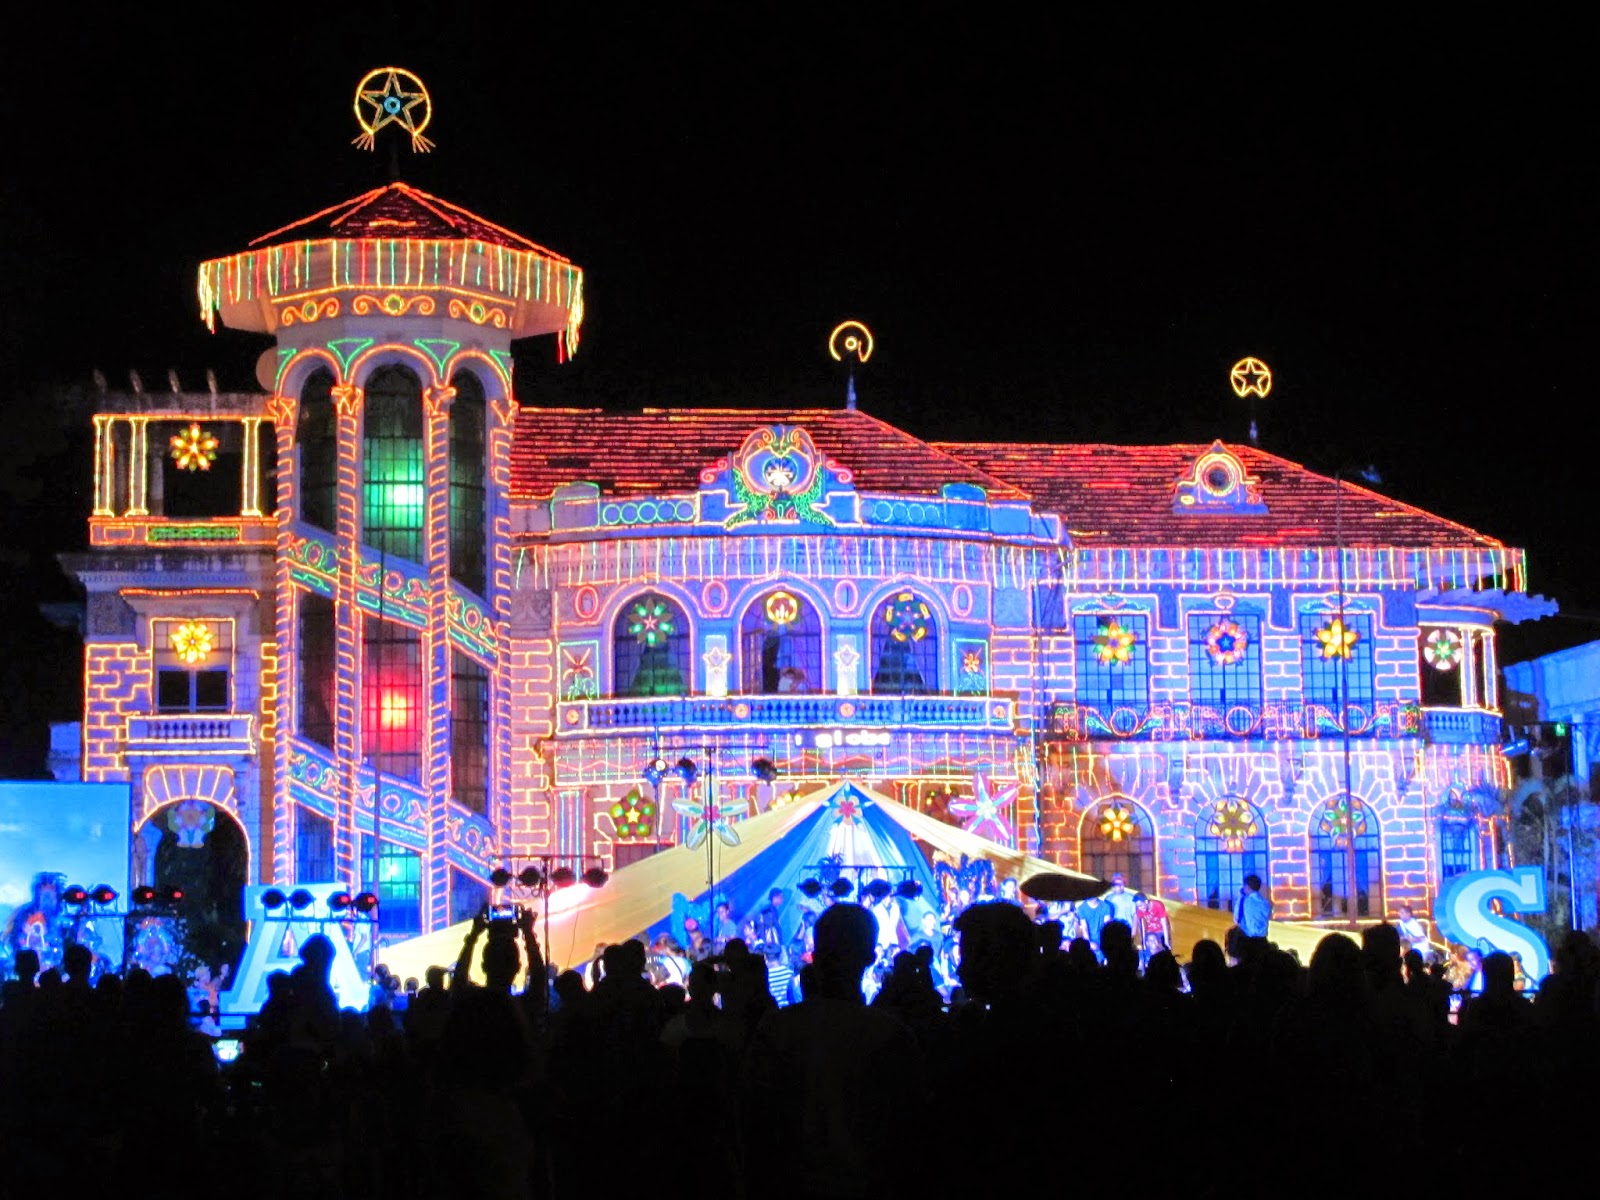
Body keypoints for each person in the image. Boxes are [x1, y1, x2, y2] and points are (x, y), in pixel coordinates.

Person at [1234, 873, 1272, 938]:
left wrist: (1241, 897)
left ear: (1247, 886)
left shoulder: (1244, 901)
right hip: (1262, 937)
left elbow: (1237, 918)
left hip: (1247, 937)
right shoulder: (1266, 903)